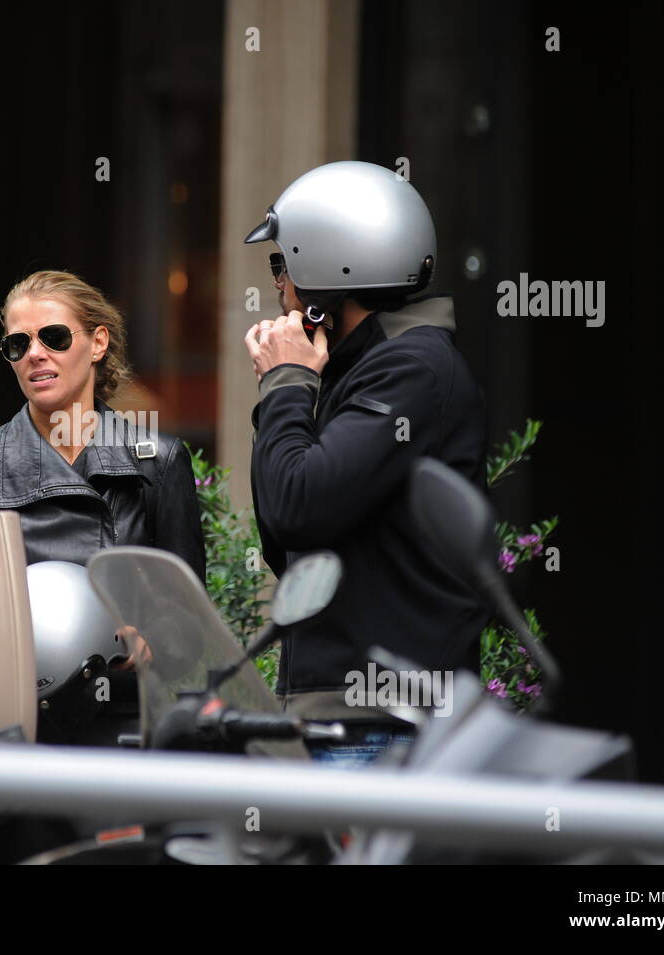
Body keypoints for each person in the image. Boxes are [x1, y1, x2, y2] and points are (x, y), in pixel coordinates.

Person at [241, 161, 489, 766]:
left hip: (374, 724)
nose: (278, 283)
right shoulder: (361, 371)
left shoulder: (412, 370)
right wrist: (296, 386)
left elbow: (297, 506)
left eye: (283, 263)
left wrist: (286, 381)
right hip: (342, 716)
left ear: (329, 263)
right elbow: (289, 539)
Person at [0, 270, 204, 579]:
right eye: (18, 343)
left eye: (54, 337)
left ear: (98, 343)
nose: (34, 354)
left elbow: (182, 616)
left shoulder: (157, 461)